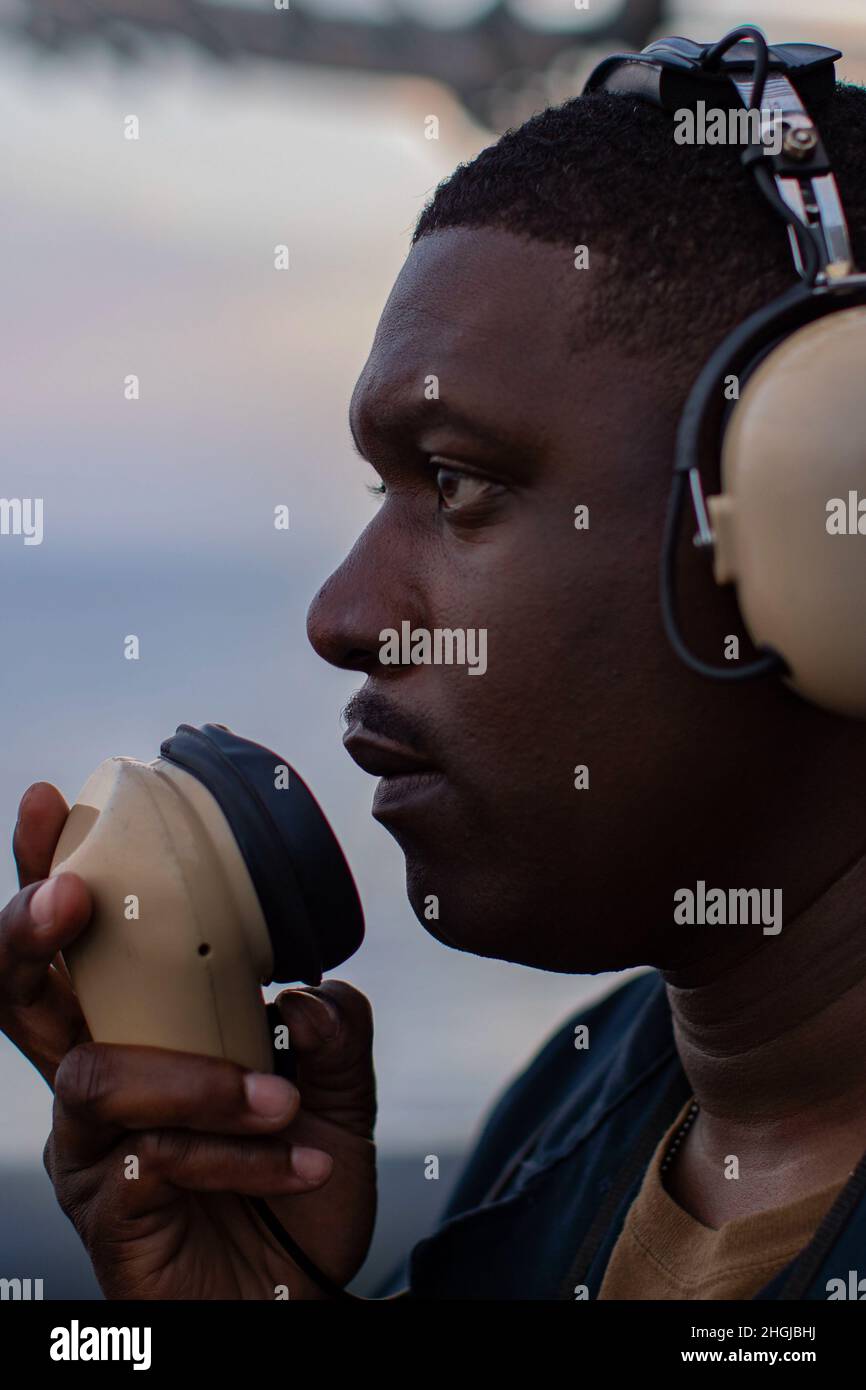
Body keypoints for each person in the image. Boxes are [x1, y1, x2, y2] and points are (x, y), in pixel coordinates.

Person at [4, 74, 866, 1301]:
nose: (340, 618)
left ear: (817, 528)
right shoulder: (571, 1112)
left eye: (456, 482)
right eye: (381, 493)